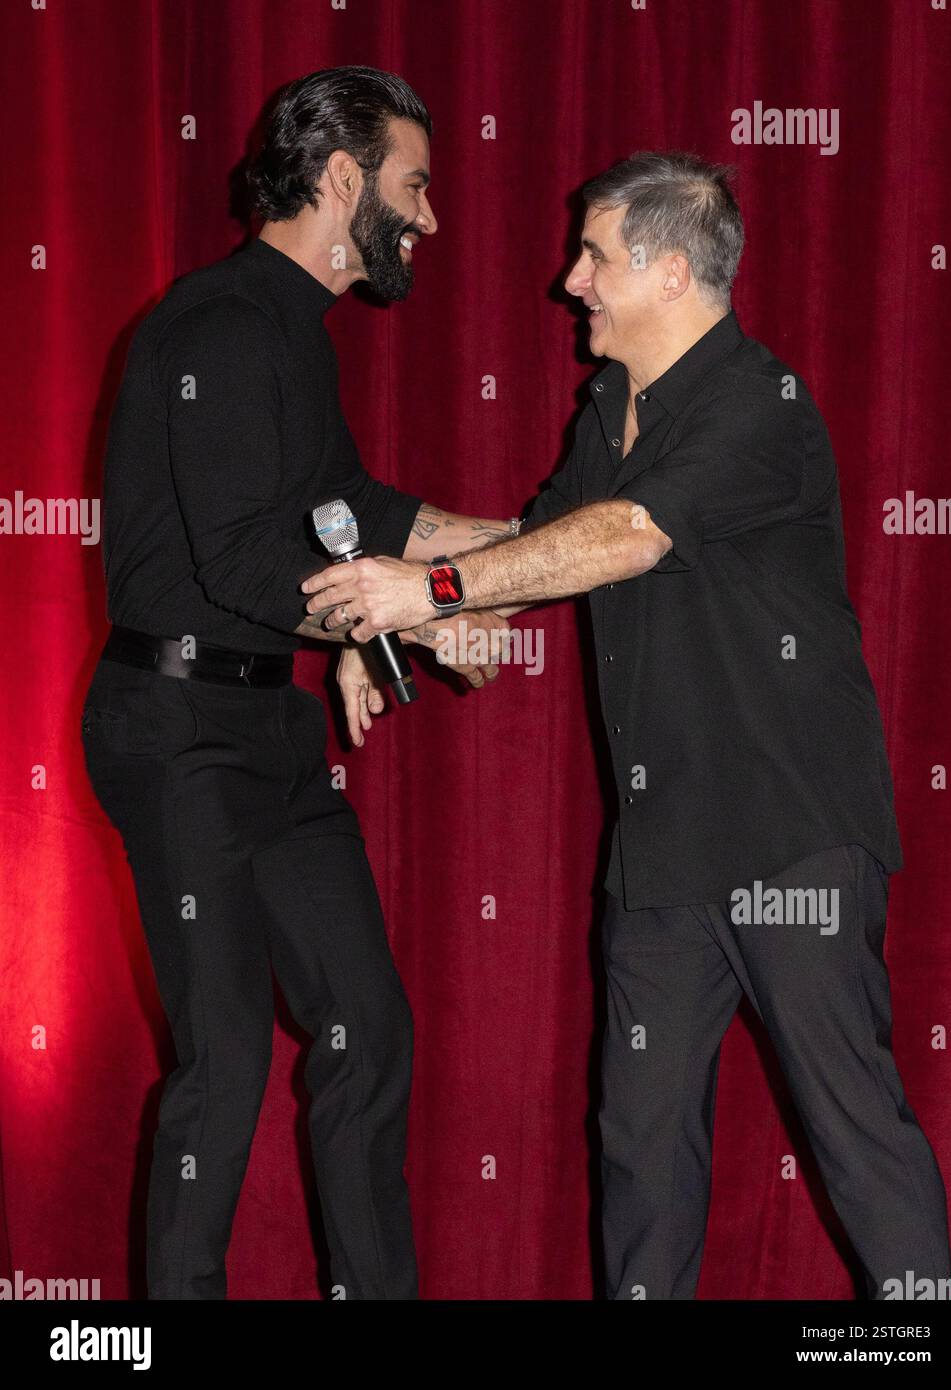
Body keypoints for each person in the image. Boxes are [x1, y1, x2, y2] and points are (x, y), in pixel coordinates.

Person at [305, 151, 951, 1300]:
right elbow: (534, 549)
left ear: (664, 270)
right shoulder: (610, 406)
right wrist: (404, 625)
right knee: (640, 1148)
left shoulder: (762, 403)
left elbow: (631, 537)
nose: (571, 282)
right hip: (660, 855)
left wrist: (432, 598)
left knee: (854, 1128)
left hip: (789, 832)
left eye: (595, 255)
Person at [81, 66, 512, 1300]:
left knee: (366, 1029)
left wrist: (505, 555)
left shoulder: (291, 333)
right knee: (223, 1062)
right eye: (415, 184)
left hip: (263, 727)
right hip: (175, 730)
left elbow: (346, 514)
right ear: (340, 178)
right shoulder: (220, 323)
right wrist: (413, 625)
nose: (428, 218)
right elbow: (237, 554)